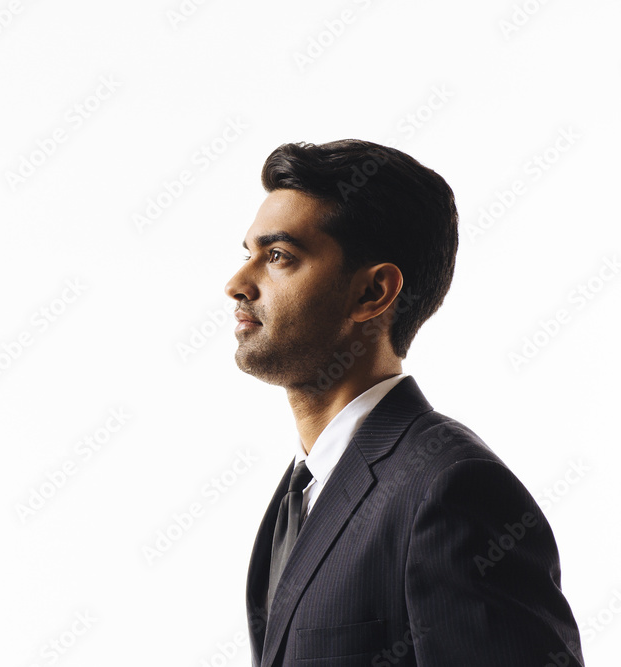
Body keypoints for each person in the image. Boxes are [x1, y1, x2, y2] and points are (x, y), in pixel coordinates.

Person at [226, 140, 584, 666]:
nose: (237, 283)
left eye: (279, 257)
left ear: (373, 294)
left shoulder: (451, 490)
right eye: (248, 254)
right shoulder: (301, 491)